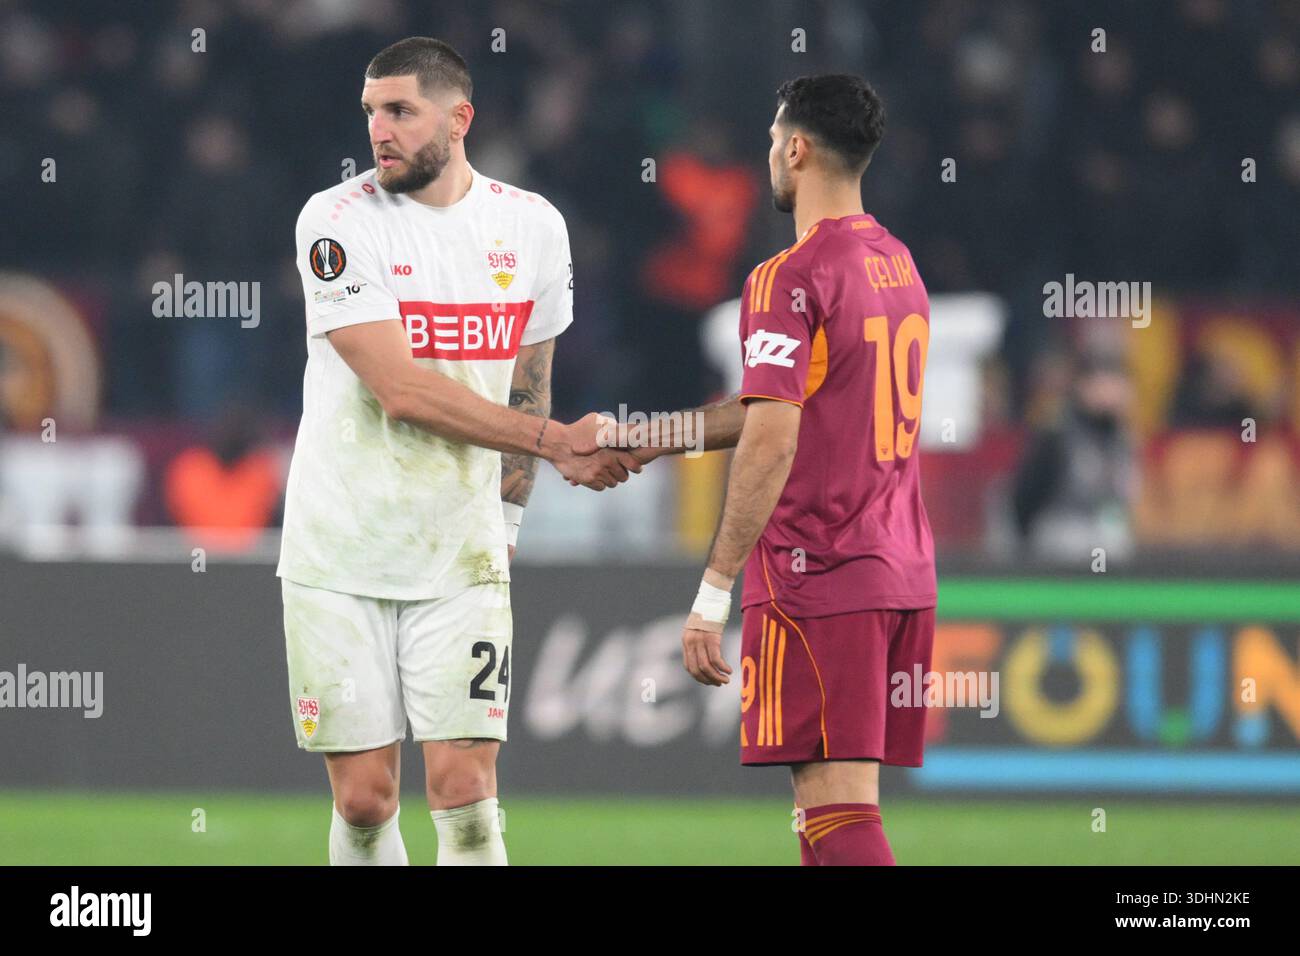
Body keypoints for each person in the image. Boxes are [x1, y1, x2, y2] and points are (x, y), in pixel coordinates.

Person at [278, 36, 638, 866]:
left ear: (459, 118)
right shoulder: (333, 221)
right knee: (366, 801)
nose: (380, 130)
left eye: (400, 110)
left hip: (460, 554)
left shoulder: (533, 227)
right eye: (371, 112)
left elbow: (528, 381)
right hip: (339, 549)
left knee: (468, 798)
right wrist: (555, 446)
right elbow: (401, 392)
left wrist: (505, 525)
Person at [613, 74, 936, 865]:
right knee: (828, 810)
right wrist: (652, 437)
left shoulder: (788, 276)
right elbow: (774, 405)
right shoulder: (895, 264)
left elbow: (772, 440)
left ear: (795, 149)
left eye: (769, 142)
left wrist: (712, 590)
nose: (767, 158)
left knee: (836, 812)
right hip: (897, 567)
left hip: (818, 569)